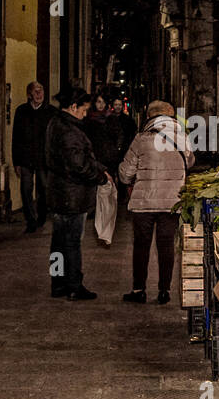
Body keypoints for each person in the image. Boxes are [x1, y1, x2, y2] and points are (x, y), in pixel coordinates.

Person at [118, 101, 194, 305]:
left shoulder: (141, 139)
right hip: (172, 202)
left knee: (141, 246)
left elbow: (125, 174)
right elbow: (189, 162)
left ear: (149, 117)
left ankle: (139, 290)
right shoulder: (183, 137)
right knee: (166, 245)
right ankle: (164, 291)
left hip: (144, 202)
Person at [45, 86, 111, 300]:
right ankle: (74, 285)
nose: (85, 114)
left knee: (58, 242)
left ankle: (57, 283)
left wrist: (99, 168)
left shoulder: (55, 123)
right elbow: (78, 165)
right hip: (72, 195)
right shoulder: (69, 131)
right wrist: (99, 176)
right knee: (72, 242)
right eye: (83, 109)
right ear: (73, 107)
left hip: (58, 192)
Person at [12, 80, 56, 233]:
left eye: (41, 90)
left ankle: (41, 217)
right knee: (26, 190)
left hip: (43, 159)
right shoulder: (21, 111)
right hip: (25, 158)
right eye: (35, 91)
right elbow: (16, 137)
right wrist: (16, 161)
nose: (39, 94)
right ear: (29, 94)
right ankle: (30, 221)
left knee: (44, 189)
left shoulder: (51, 112)